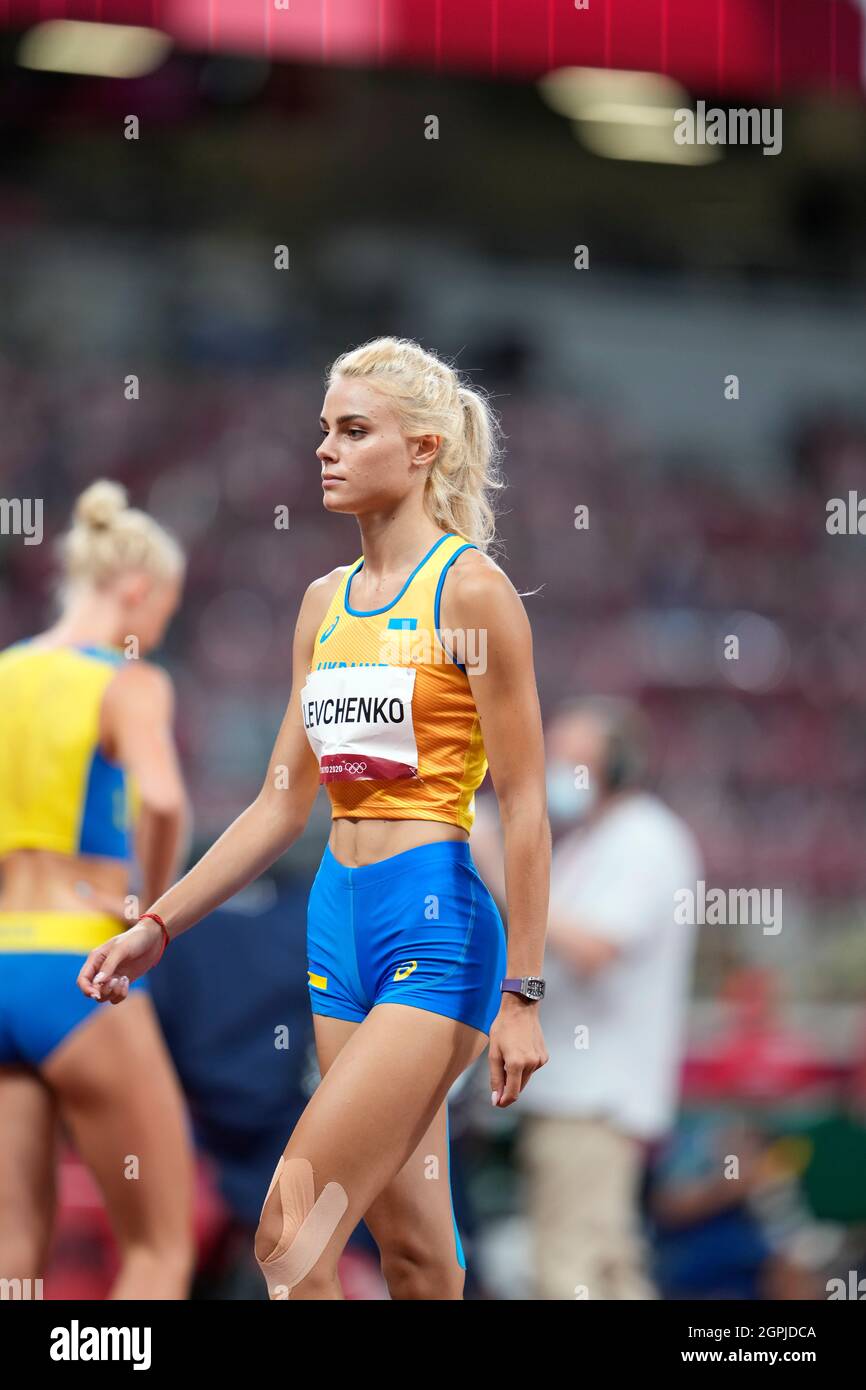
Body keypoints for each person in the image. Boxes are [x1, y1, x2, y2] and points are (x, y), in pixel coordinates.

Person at [78, 336, 551, 1301]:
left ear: (423, 449)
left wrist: (524, 993)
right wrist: (159, 923)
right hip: (338, 921)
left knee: (292, 1233)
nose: (325, 450)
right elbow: (281, 803)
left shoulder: (471, 590)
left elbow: (528, 800)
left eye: (353, 430)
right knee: (418, 1257)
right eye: (323, 431)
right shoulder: (322, 605)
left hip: (439, 926)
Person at [0, 480, 195, 1299]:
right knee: (159, 1250)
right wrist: (149, 913)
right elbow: (161, 797)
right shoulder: (129, 680)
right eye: (163, 614)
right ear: (138, 591)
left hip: (4, 962)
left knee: (13, 1256)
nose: (155, 633)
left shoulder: (5, 673)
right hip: (81, 969)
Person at [472, 695, 701, 1299]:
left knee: (567, 1272)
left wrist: (499, 865)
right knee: (609, 1269)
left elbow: (595, 948)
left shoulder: (645, 840)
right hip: (575, 1097)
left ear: (616, 767)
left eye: (574, 762)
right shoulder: (586, 844)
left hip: (596, 1100)